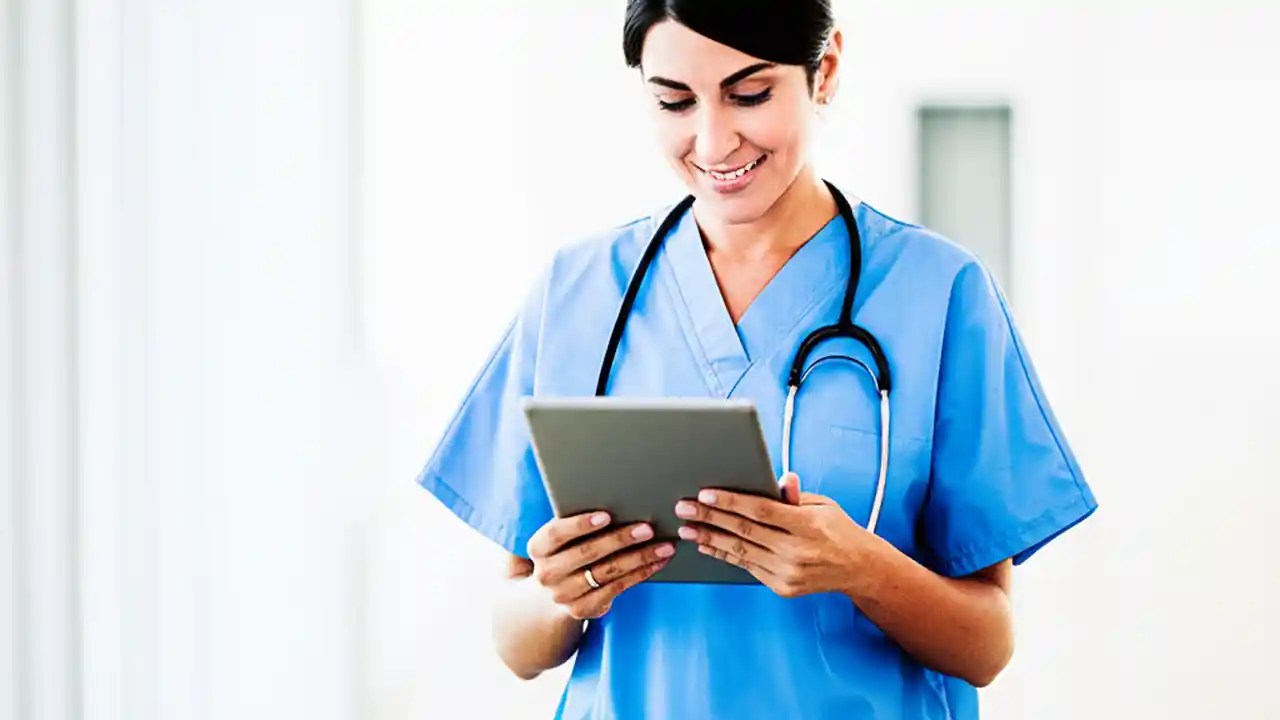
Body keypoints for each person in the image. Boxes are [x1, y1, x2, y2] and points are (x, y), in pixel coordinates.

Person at [416, 1, 1098, 717]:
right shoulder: (578, 292)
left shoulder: (940, 294)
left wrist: (858, 568)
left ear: (824, 69)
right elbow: (516, 640)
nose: (712, 140)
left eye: (750, 94)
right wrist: (562, 597)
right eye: (674, 101)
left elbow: (985, 645)